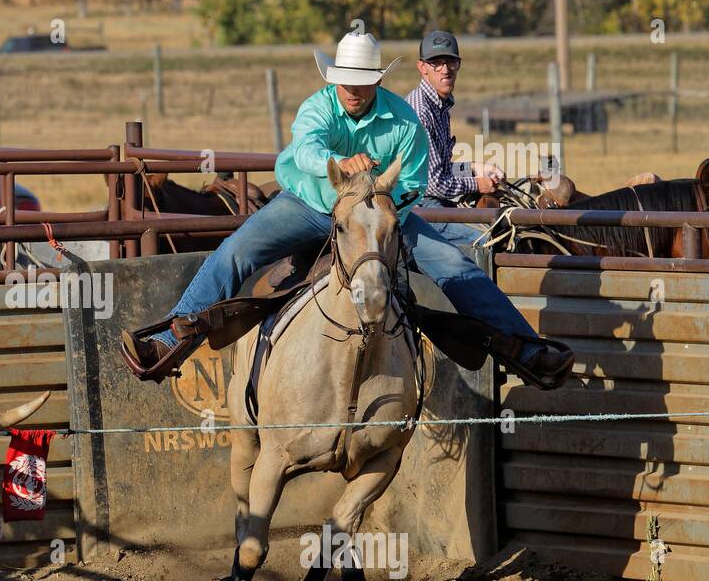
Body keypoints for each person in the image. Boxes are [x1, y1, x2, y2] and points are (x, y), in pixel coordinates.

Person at [121, 30, 575, 389]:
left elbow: (415, 183)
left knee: (454, 265)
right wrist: (338, 166)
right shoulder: (317, 109)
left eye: (363, 81)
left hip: (379, 215)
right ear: (333, 78)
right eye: (346, 80)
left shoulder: (403, 121)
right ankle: (166, 344)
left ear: (377, 80)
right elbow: (305, 151)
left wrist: (373, 202)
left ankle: (527, 351)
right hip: (310, 204)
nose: (353, 89)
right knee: (237, 251)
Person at [404, 30, 505, 248]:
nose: (445, 69)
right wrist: (478, 184)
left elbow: (438, 169)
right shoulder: (422, 112)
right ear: (422, 68)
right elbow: (434, 184)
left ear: (458, 64)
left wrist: (474, 167)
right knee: (491, 239)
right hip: (416, 207)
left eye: (450, 61)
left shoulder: (439, 105)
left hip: (429, 200)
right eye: (436, 63)